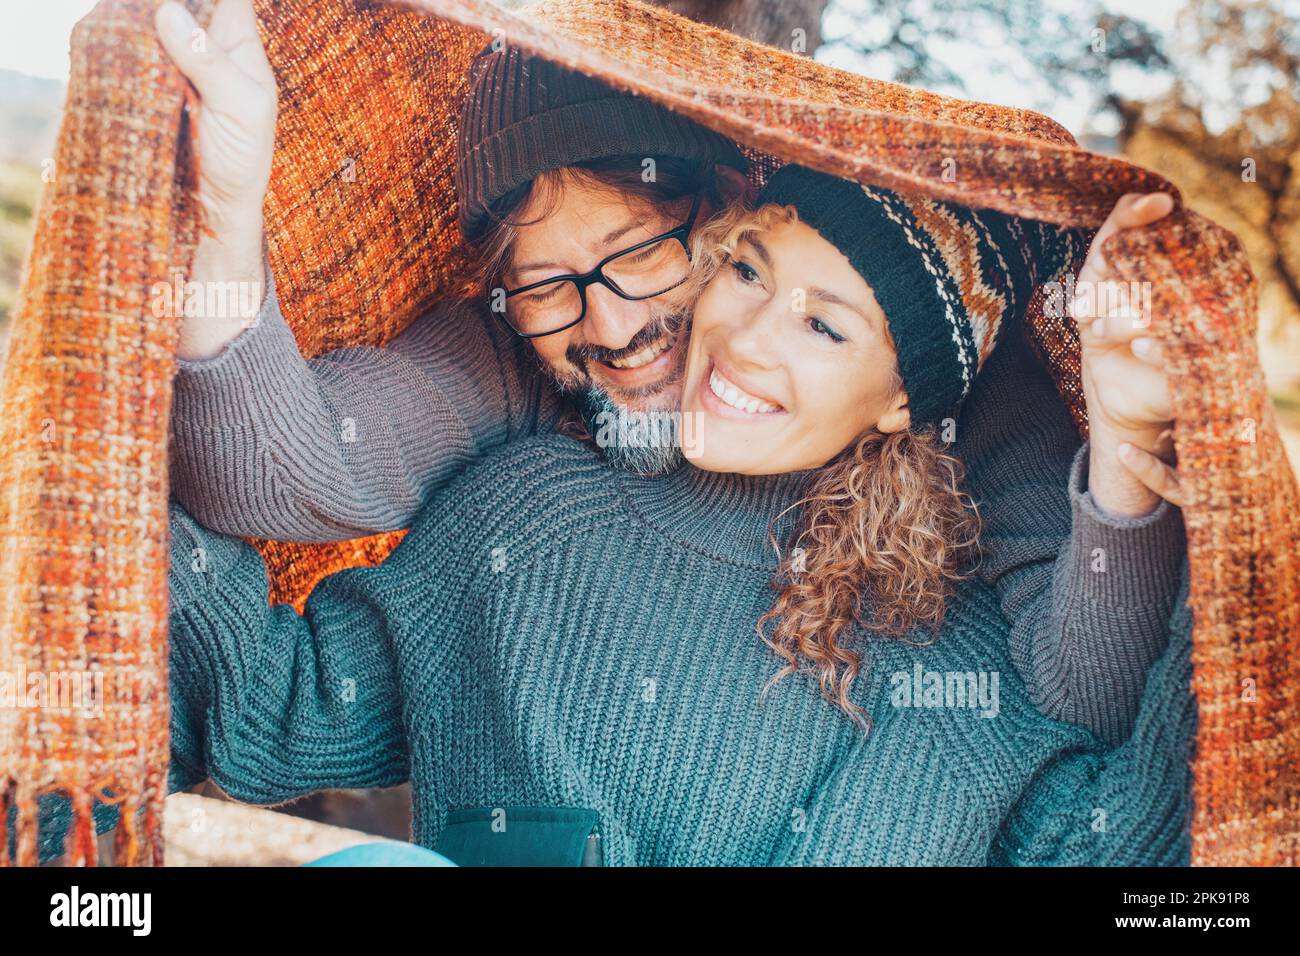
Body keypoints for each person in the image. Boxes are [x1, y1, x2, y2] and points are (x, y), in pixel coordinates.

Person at [155, 0, 1185, 743]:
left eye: (643, 250)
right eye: (546, 280)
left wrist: (1129, 462)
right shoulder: (526, 351)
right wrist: (230, 210)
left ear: (734, 198)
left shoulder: (940, 368)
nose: (608, 322)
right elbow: (282, 469)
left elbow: (1089, 685)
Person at [115, 164, 1191, 868]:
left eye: (823, 326)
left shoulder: (955, 660)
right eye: (750, 273)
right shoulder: (533, 518)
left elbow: (1121, 846)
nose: (749, 337)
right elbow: (273, 700)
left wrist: (1146, 459)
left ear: (903, 397)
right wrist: (99, 454)